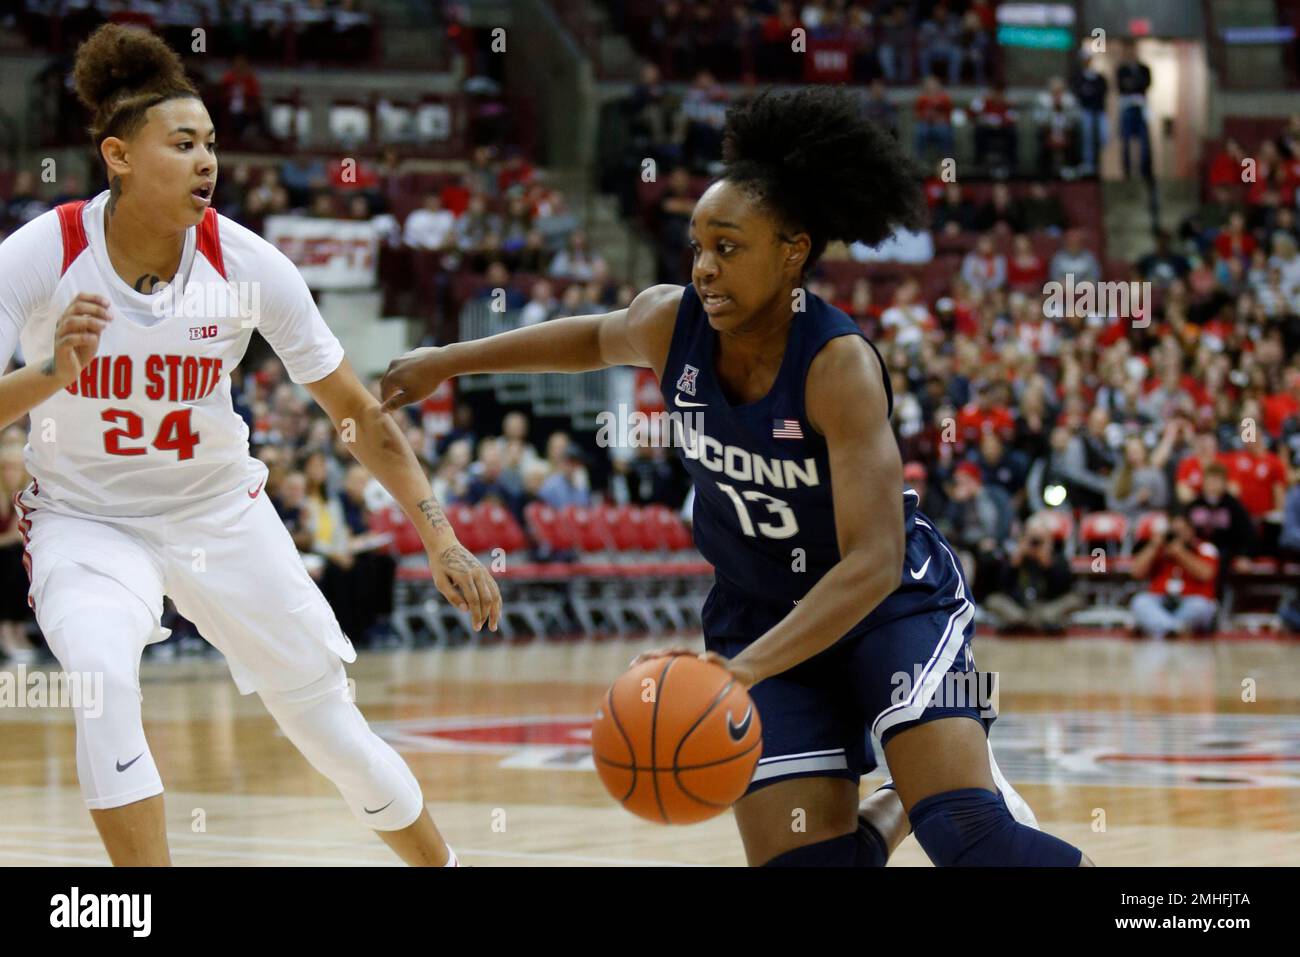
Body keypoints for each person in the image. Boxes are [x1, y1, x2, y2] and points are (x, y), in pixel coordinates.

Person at [381, 87, 1089, 867]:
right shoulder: (669, 320)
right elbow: (588, 339)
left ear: (792, 250)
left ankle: (955, 799)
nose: (705, 268)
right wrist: (447, 361)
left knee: (971, 836)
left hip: (892, 605)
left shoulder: (837, 366)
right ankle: (897, 806)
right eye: (697, 246)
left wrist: (742, 672)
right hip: (755, 609)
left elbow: (873, 562)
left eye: (728, 246)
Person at [0, 25, 500, 867]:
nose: (207, 162)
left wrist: (439, 533)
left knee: (328, 723)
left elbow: (358, 414)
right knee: (100, 677)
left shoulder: (251, 264)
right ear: (117, 155)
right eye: (183, 143)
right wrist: (51, 373)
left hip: (218, 511)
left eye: (212, 145)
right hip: (85, 520)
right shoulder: (41, 252)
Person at [983, 516, 1081, 635]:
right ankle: (1028, 622)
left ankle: (1028, 623)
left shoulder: (1057, 558)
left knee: (1073, 600)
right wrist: (1015, 562)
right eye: (1032, 540)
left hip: (1046, 606)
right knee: (994, 600)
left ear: (1049, 540)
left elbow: (1064, 587)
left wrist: (1047, 563)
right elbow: (1000, 586)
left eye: (1039, 540)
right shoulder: (1015, 557)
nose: (1035, 545)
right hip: (1018, 607)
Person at [1129, 513, 1220, 639]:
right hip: (1162, 601)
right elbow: (1136, 572)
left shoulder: (1205, 548)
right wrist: (1153, 546)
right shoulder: (1160, 549)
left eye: (1182, 531)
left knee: (1200, 606)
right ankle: (1174, 629)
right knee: (1140, 602)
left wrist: (1180, 553)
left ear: (1191, 531)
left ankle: (1159, 627)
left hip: (1191, 602)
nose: (1178, 535)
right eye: (1174, 531)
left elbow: (1206, 574)